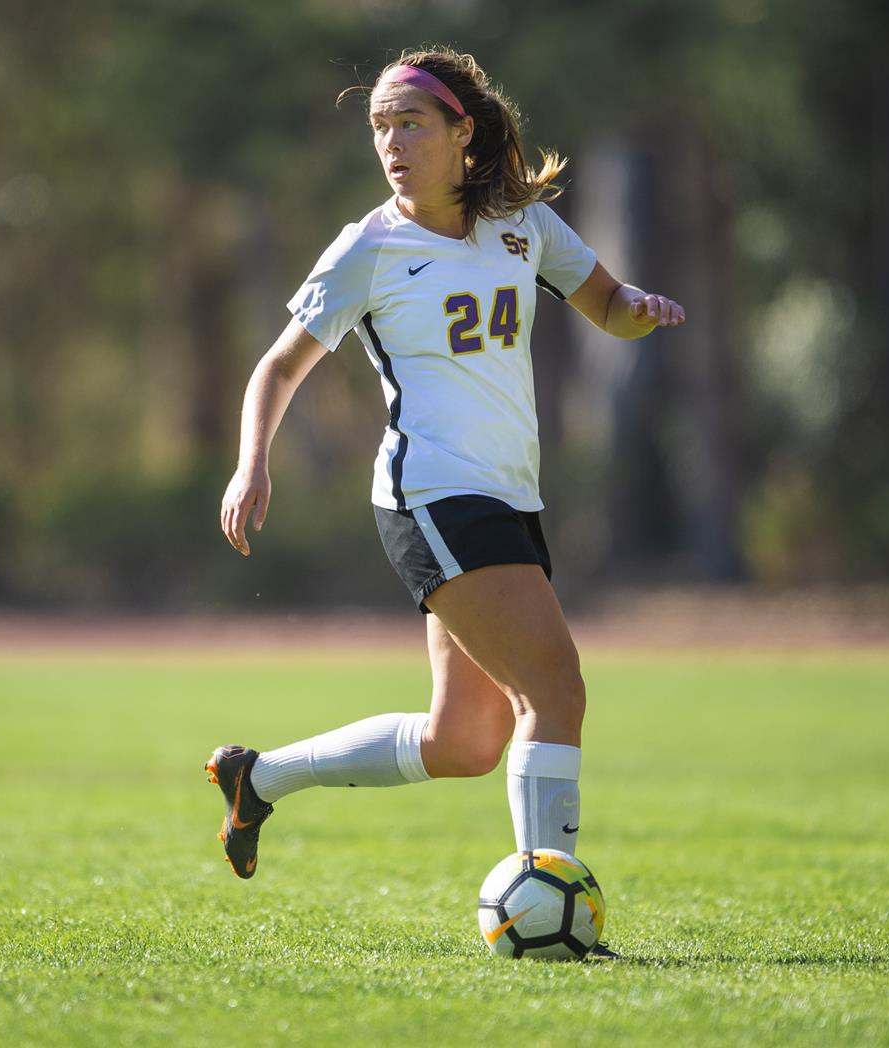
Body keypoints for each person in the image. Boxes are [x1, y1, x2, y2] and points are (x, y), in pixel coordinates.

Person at [206, 47, 685, 944]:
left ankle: (257, 779)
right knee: (556, 687)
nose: (391, 142)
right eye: (380, 127)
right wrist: (251, 463)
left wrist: (642, 310)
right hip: (433, 494)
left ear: (464, 132)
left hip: (508, 496)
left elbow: (607, 304)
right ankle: (555, 913)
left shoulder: (522, 227)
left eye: (410, 123)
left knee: (463, 741)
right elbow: (277, 366)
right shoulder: (370, 248)